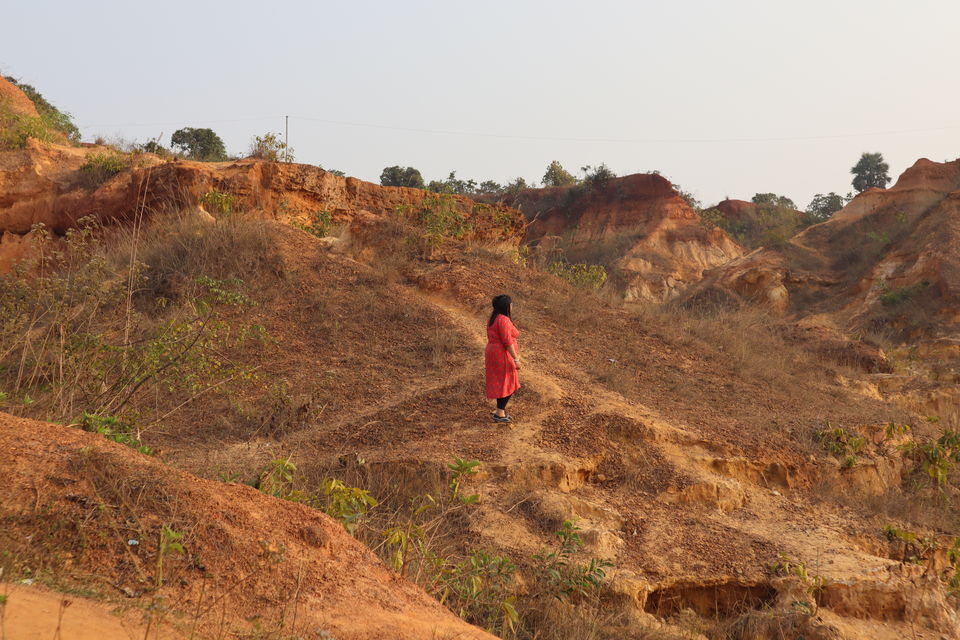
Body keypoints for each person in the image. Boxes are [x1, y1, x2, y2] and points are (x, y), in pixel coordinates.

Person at [485, 294, 521, 423]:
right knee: (508, 381)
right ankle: (499, 413)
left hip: (492, 352)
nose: (512, 306)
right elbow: (507, 341)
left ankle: (500, 411)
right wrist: (516, 359)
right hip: (502, 354)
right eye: (511, 304)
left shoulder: (493, 318)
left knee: (500, 382)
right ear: (506, 306)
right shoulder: (504, 320)